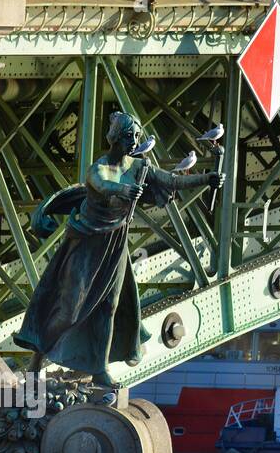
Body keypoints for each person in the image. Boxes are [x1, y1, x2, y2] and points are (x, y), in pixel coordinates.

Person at [14, 110, 224, 387]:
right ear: (115, 139)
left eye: (137, 136)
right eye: (130, 136)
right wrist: (122, 191)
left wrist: (206, 179)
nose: (135, 142)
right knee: (69, 309)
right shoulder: (98, 168)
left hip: (115, 247)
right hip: (87, 245)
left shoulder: (139, 167)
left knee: (109, 307)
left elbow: (172, 181)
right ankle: (37, 359)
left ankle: (100, 369)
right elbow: (101, 184)